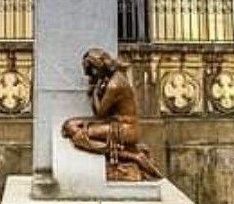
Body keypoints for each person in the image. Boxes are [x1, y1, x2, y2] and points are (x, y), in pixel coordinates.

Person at [62, 48, 162, 181]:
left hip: (126, 129)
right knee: (69, 126)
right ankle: (131, 154)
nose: (90, 75)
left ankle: (135, 157)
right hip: (113, 122)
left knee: (79, 136)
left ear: (98, 68)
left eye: (91, 71)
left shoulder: (114, 85)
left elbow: (100, 113)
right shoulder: (109, 78)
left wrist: (95, 91)